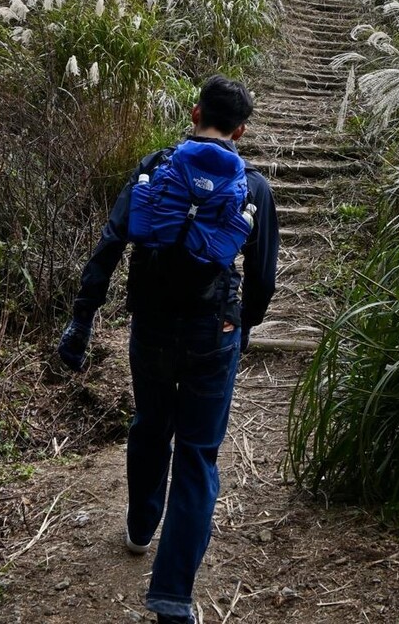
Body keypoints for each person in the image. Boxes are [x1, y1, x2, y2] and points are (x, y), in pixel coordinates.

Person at [56, 76, 279, 624]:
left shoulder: (156, 166)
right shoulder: (254, 187)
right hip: (213, 334)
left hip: (151, 327)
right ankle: (173, 599)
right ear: (241, 131)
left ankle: (140, 526)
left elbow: (111, 242)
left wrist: (82, 320)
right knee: (198, 456)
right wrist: (243, 327)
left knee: (151, 425)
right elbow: (263, 279)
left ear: (195, 112)